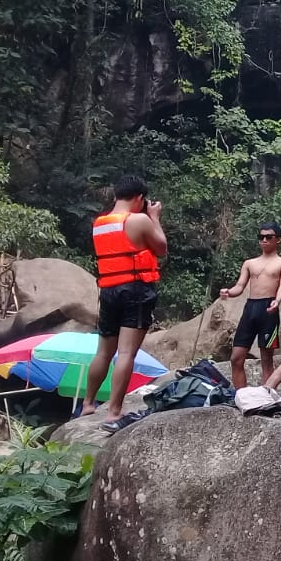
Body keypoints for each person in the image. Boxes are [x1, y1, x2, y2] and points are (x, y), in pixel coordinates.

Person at [83, 175, 167, 424]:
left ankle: (88, 403)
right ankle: (114, 411)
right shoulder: (139, 220)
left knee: (103, 353)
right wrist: (155, 217)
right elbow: (161, 248)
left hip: (108, 290)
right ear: (140, 198)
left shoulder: (100, 223)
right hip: (135, 290)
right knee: (127, 352)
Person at [220, 221, 281, 389]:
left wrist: (278, 300)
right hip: (250, 308)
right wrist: (228, 292)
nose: (264, 240)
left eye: (269, 237)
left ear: (278, 240)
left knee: (267, 359)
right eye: (261, 237)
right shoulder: (250, 263)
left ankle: (266, 396)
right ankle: (241, 395)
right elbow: (240, 286)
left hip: (269, 309)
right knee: (236, 357)